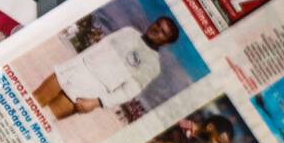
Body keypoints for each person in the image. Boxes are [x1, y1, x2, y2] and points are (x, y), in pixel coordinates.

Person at [33, 17, 180, 119]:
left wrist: (97, 102)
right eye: (158, 24)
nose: (156, 29)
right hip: (72, 69)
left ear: (166, 42)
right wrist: (66, 67)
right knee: (32, 102)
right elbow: (96, 48)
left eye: (163, 32)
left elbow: (128, 92)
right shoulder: (129, 32)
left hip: (87, 90)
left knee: (44, 119)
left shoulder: (153, 66)